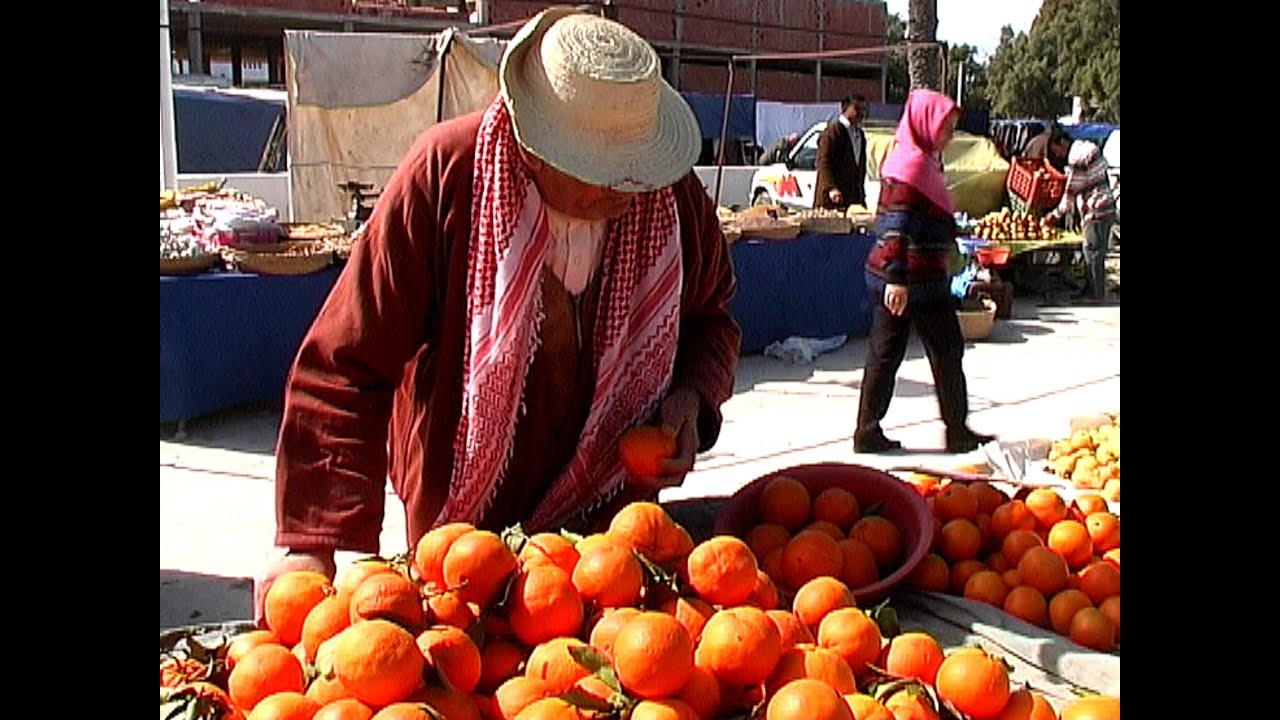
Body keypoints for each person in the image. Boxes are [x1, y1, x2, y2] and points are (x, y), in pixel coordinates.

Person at [254, 6, 741, 618]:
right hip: (462, 540)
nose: (626, 189)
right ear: (534, 147)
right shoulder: (446, 177)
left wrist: (692, 397)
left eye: (634, 171)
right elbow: (347, 362)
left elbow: (711, 318)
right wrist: (310, 541)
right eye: (602, 172)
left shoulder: (668, 196)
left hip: (607, 545)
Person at [854, 89, 994, 455]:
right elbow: (896, 227)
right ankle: (956, 431)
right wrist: (897, 279)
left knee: (886, 354)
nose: (948, 136)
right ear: (925, 124)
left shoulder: (918, 160)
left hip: (915, 277)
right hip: (911, 281)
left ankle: (868, 431)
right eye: (945, 127)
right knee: (945, 350)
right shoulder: (913, 166)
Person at [1043, 139, 1116, 303]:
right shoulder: (1085, 149)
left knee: (1092, 251)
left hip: (1097, 209)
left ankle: (1095, 295)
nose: (1057, 155)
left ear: (1061, 143)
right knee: (1094, 252)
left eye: (1055, 149)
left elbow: (1071, 193)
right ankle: (1090, 290)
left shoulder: (1076, 157)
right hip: (1106, 206)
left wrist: (1054, 215)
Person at [814, 95, 869, 209]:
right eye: (857, 109)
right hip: (831, 202)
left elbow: (860, 167)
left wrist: (861, 194)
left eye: (864, 109)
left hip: (852, 201)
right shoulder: (833, 132)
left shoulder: (860, 136)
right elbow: (823, 162)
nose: (861, 113)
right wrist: (831, 188)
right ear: (846, 109)